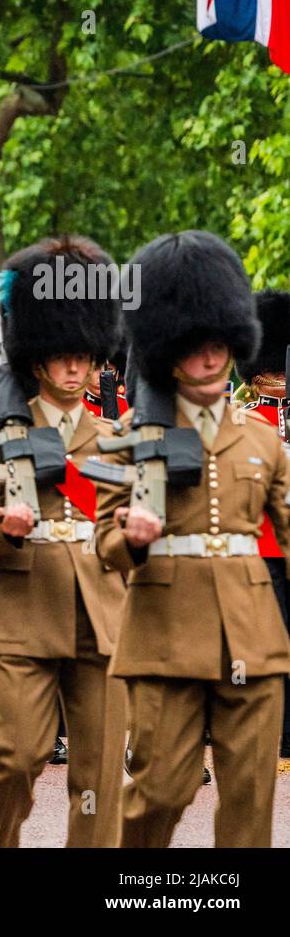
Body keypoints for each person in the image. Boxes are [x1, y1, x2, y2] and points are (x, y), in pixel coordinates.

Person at [92, 230, 290, 847]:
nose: (208, 359)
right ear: (166, 351)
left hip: (254, 636)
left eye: (218, 345)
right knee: (163, 790)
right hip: (165, 636)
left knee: (251, 800)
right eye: (192, 347)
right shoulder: (132, 434)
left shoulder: (263, 438)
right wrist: (134, 535)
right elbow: (104, 541)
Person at [0, 235, 129, 846]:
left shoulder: (117, 440)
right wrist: (4, 530)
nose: (75, 367)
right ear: (36, 360)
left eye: (84, 354)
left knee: (100, 773)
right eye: (62, 355)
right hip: (24, 616)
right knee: (19, 758)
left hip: (101, 617)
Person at [235, 289, 290, 760]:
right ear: (255, 378)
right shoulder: (245, 422)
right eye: (274, 373)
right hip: (262, 546)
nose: (282, 380)